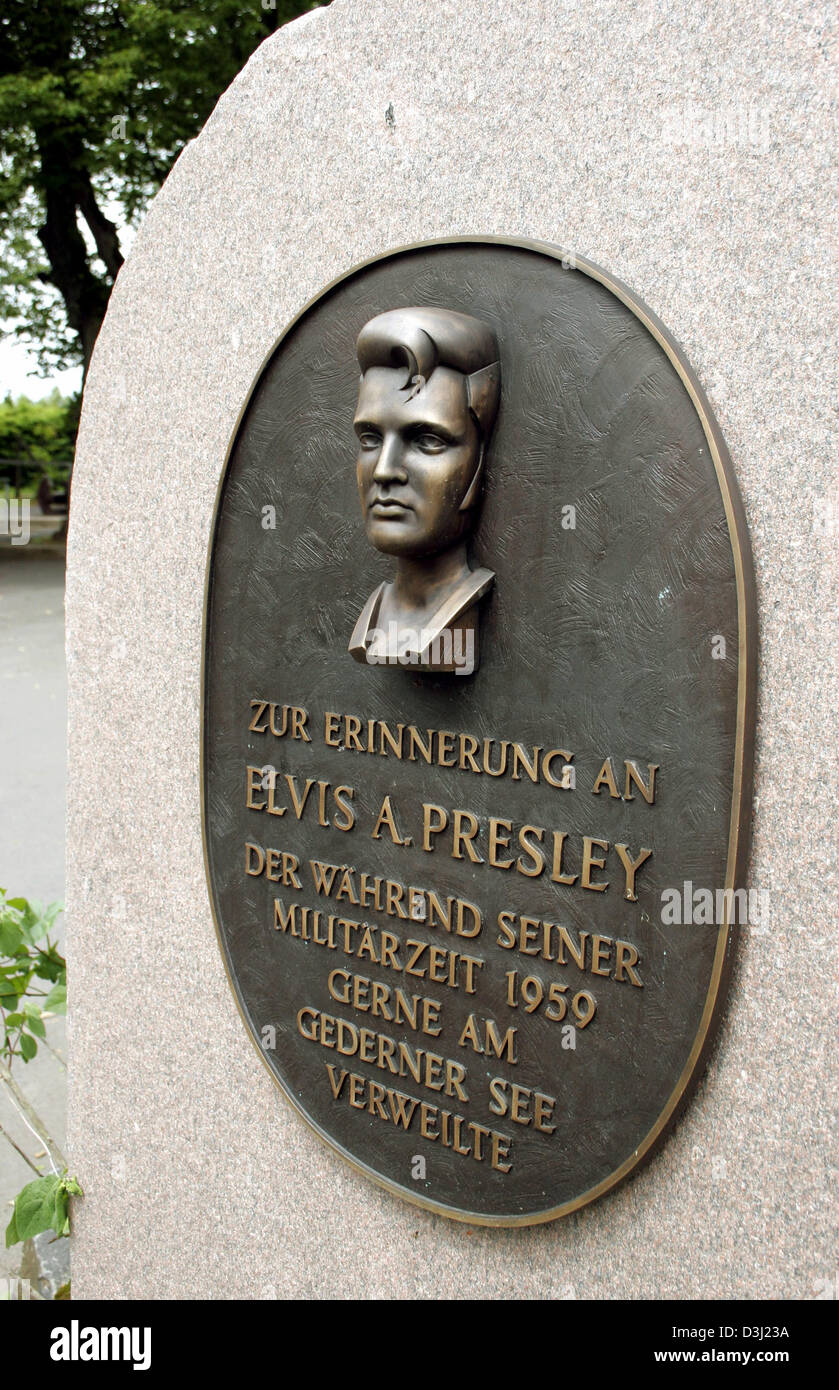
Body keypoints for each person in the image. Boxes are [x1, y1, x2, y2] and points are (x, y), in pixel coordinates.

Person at [348, 306, 501, 675]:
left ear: (479, 459)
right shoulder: (371, 623)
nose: (384, 471)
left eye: (427, 441)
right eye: (370, 438)